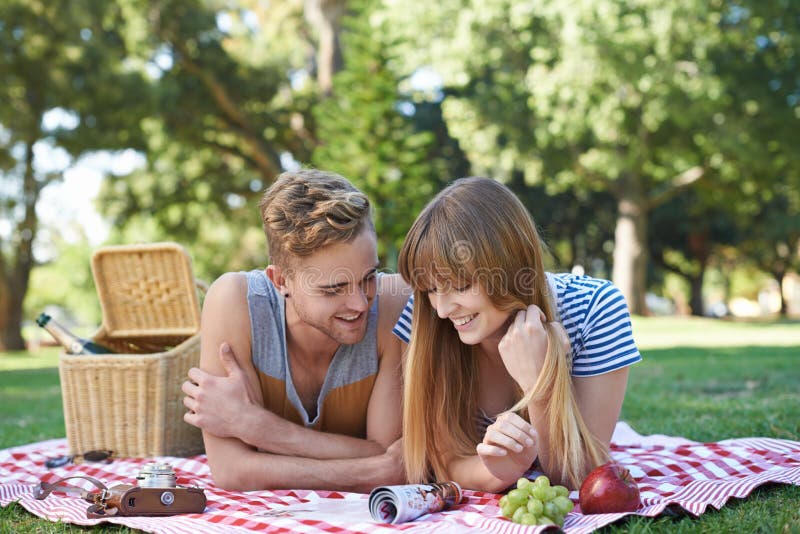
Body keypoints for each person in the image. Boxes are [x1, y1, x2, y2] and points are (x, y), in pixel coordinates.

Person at [392, 177, 641, 492]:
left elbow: (581, 477)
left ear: (510, 266)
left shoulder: (594, 309)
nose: (442, 309)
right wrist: (500, 471)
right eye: (430, 289)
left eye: (461, 285)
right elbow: (444, 462)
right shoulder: (425, 317)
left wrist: (539, 381)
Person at [181, 169, 409, 492]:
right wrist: (372, 473)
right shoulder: (235, 303)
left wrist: (258, 427)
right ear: (281, 281)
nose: (360, 304)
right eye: (334, 289)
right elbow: (233, 471)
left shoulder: (394, 303)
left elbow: (391, 454)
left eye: (369, 277)